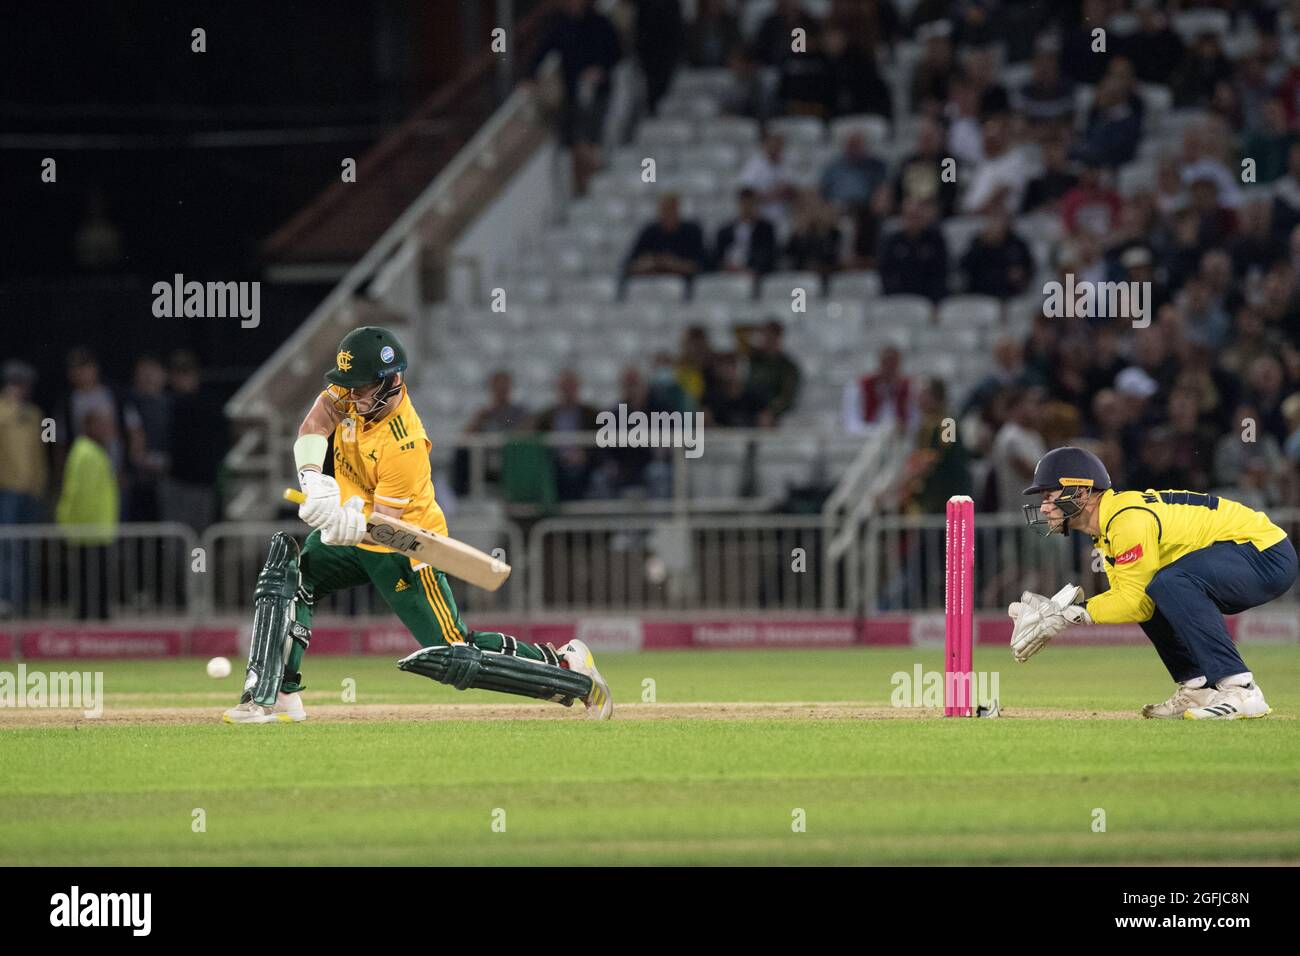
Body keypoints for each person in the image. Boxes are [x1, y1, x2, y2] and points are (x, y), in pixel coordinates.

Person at [222, 327, 611, 724]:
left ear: (391, 383)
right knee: (290, 576)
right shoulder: (352, 393)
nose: (351, 396)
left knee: (454, 653)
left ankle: (564, 664)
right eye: (348, 387)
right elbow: (314, 424)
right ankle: (278, 694)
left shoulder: (404, 442)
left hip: (404, 547)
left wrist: (346, 521)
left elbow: (384, 526)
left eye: (360, 389)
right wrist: (312, 478)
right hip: (353, 528)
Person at [1012, 446, 1296, 720]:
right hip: (1253, 552)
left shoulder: (1125, 520)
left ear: (1082, 491)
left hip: (1264, 552)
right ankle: (1197, 688)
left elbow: (1134, 602)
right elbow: (1136, 602)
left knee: (1169, 583)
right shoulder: (1110, 526)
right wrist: (1063, 612)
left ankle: (1241, 690)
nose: (1045, 507)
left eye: (1050, 496)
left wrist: (1064, 616)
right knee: (1157, 587)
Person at [55, 407, 119, 620]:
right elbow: (77, 493)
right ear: (89, 427)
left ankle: (96, 613)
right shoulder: (86, 453)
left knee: (93, 575)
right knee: (88, 576)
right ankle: (91, 616)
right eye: (101, 425)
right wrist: (72, 523)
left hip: (96, 525)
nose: (107, 429)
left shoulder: (91, 450)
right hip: (89, 526)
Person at [0, 361, 49, 616]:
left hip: (31, 490)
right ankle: (5, 600)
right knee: (8, 547)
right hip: (6, 489)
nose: (22, 390)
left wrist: (40, 485)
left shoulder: (36, 415)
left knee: (28, 548)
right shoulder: (2, 412)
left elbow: (40, 453)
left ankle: (25, 601)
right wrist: (11, 407)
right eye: (17, 384)